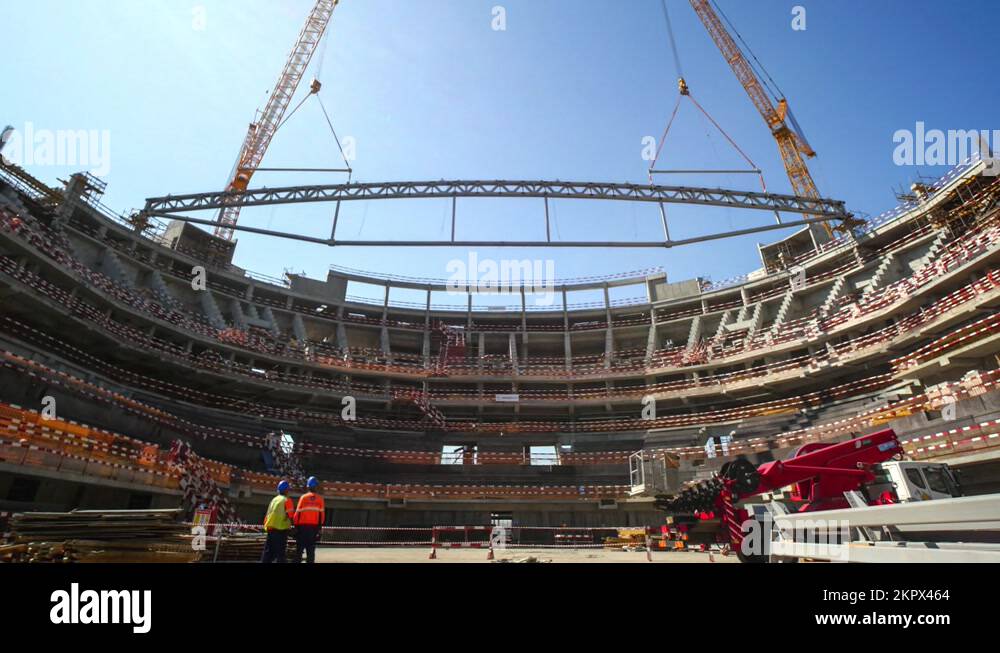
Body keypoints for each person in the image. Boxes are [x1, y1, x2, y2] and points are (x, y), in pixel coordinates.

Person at [260, 480, 295, 563]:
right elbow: (291, 516)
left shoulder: (274, 500)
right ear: (287, 490)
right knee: (280, 554)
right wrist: (294, 528)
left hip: (270, 529)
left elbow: (268, 514)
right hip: (281, 530)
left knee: (268, 553)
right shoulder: (287, 500)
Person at [293, 476, 326, 564]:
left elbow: (297, 513)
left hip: (302, 528)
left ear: (308, 486)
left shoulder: (303, 498)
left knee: (299, 551)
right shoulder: (320, 499)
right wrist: (319, 527)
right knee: (311, 551)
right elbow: (322, 516)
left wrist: (296, 526)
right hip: (313, 528)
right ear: (316, 487)